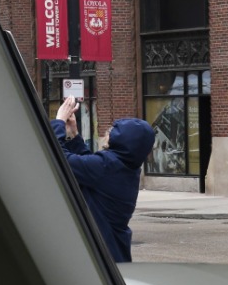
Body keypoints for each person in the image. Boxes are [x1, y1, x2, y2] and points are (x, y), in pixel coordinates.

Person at [50, 98, 154, 263]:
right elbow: (89, 166)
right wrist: (75, 135)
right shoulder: (123, 166)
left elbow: (60, 160)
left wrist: (59, 122)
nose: (106, 134)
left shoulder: (108, 166)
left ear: (121, 140)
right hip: (113, 251)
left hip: (102, 256)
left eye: (110, 132)